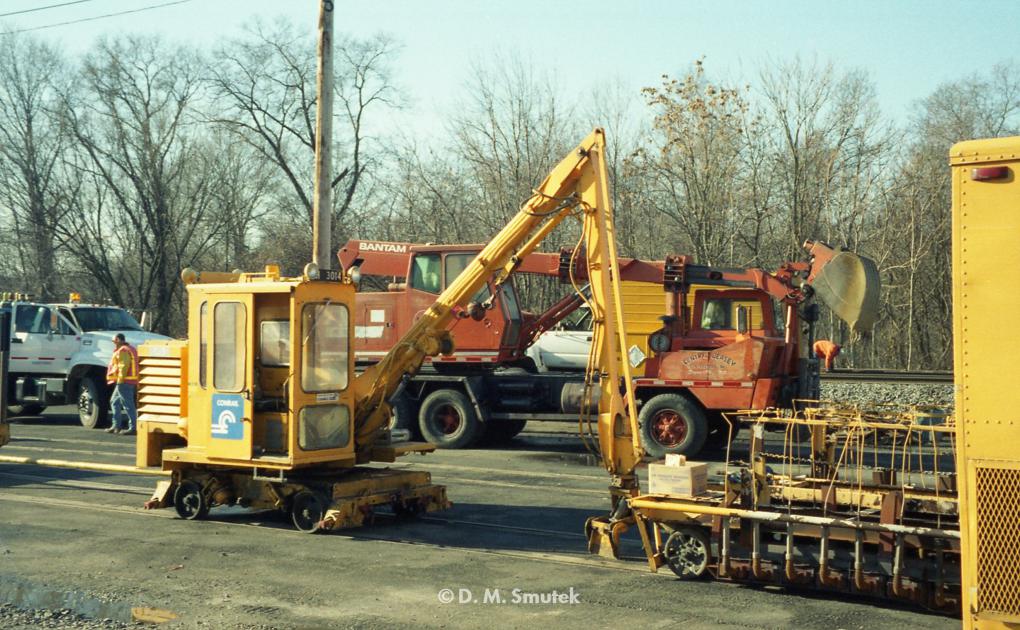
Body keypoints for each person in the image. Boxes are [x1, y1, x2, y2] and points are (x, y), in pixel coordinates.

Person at [105, 333, 139, 435]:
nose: (114, 343)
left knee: (128, 404)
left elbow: (123, 366)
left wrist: (120, 380)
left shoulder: (123, 350)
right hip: (125, 381)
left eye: (114, 341)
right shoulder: (129, 348)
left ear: (119, 340)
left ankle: (133, 427)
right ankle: (116, 426)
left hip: (124, 382)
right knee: (114, 402)